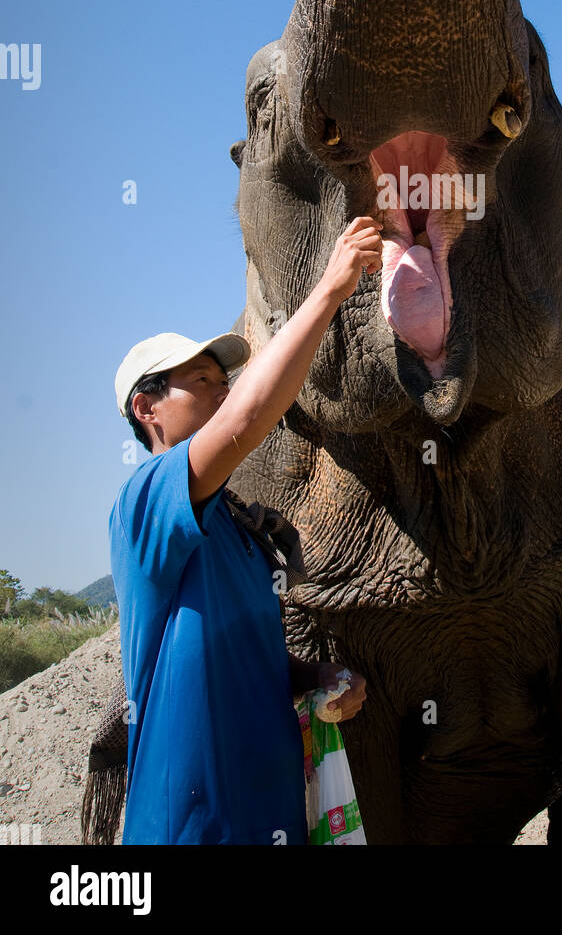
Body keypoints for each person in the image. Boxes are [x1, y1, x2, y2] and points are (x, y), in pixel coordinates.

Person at [110, 215, 383, 845]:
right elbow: (245, 420)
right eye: (199, 382)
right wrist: (329, 293)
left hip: (271, 814)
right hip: (190, 826)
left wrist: (316, 679)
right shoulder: (145, 500)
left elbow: (247, 656)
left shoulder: (234, 526)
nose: (218, 391)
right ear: (146, 408)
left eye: (221, 380)